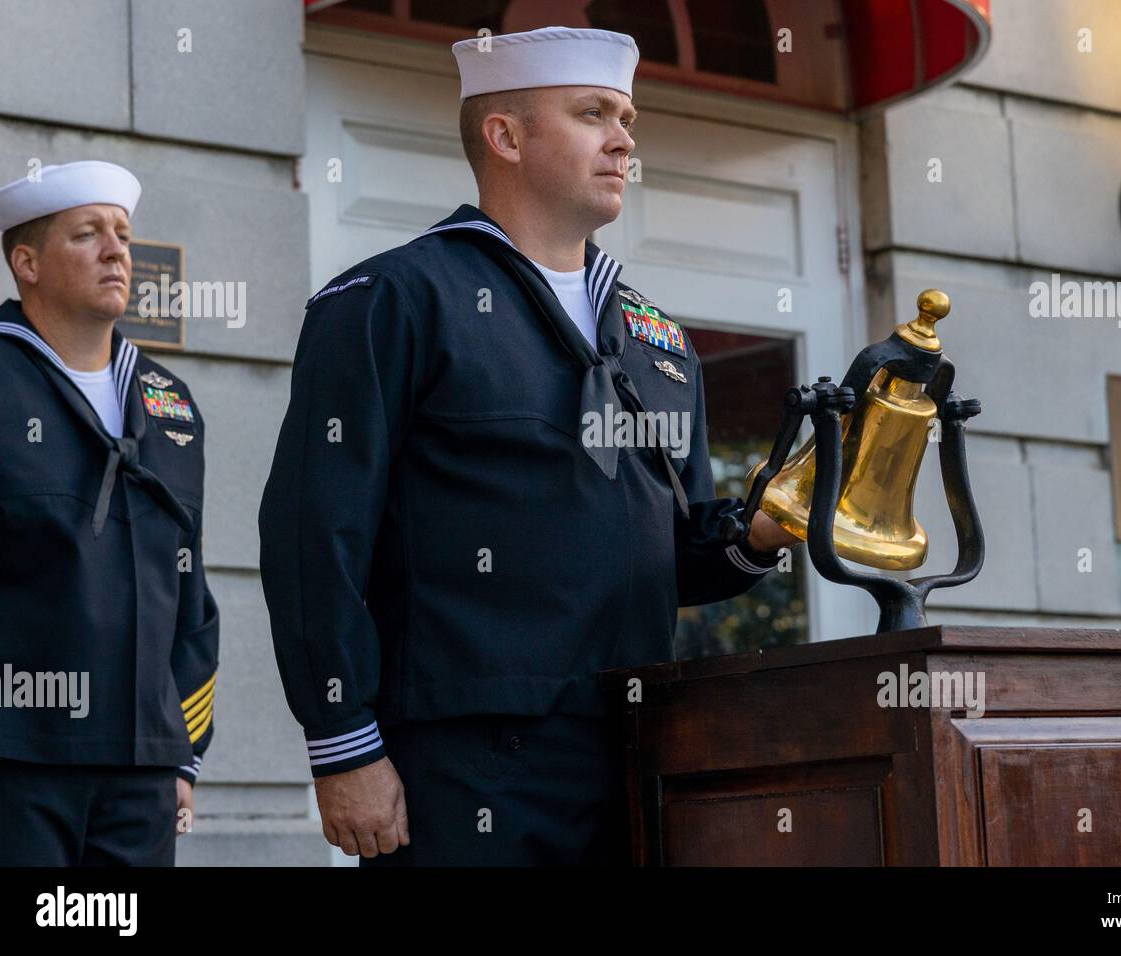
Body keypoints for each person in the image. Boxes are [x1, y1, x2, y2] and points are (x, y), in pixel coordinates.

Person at [258, 26, 798, 866]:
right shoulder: (393, 299)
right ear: (504, 136)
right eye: (593, 114)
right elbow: (310, 536)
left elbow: (681, 552)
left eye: (626, 116)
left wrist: (759, 535)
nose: (624, 138)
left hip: (640, 744)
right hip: (468, 760)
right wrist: (343, 744)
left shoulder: (658, 340)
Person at [0, 161, 219, 865]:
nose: (118, 250)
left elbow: (190, 594)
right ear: (26, 262)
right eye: (87, 234)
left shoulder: (168, 404)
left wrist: (180, 750)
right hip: (13, 760)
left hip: (140, 770)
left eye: (122, 233)